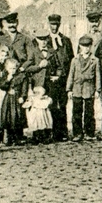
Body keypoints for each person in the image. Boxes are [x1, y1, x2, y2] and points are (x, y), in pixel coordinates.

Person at [42, 14, 72, 142]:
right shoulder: (44, 39)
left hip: (62, 78)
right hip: (48, 79)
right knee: (50, 105)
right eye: (52, 24)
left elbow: (70, 59)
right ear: (49, 25)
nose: (54, 27)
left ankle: (62, 132)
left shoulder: (65, 41)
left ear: (59, 25)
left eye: (56, 24)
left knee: (63, 105)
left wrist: (63, 75)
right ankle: (50, 132)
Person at [67, 34, 102, 140]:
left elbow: (98, 75)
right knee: (76, 112)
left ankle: (89, 133)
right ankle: (77, 133)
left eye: (88, 46)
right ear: (80, 47)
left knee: (89, 112)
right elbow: (71, 74)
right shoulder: (75, 59)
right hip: (77, 87)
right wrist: (69, 89)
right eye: (83, 46)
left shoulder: (94, 60)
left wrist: (97, 90)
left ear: (91, 46)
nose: (86, 48)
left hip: (89, 88)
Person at [0, 52, 26, 145]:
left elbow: (24, 87)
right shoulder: (5, 76)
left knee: (18, 118)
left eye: (14, 68)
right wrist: (8, 79)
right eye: (10, 68)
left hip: (17, 98)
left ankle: (18, 137)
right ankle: (8, 137)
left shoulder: (21, 76)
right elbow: (1, 86)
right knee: (8, 118)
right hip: (8, 99)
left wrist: (23, 97)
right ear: (7, 68)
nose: (13, 70)